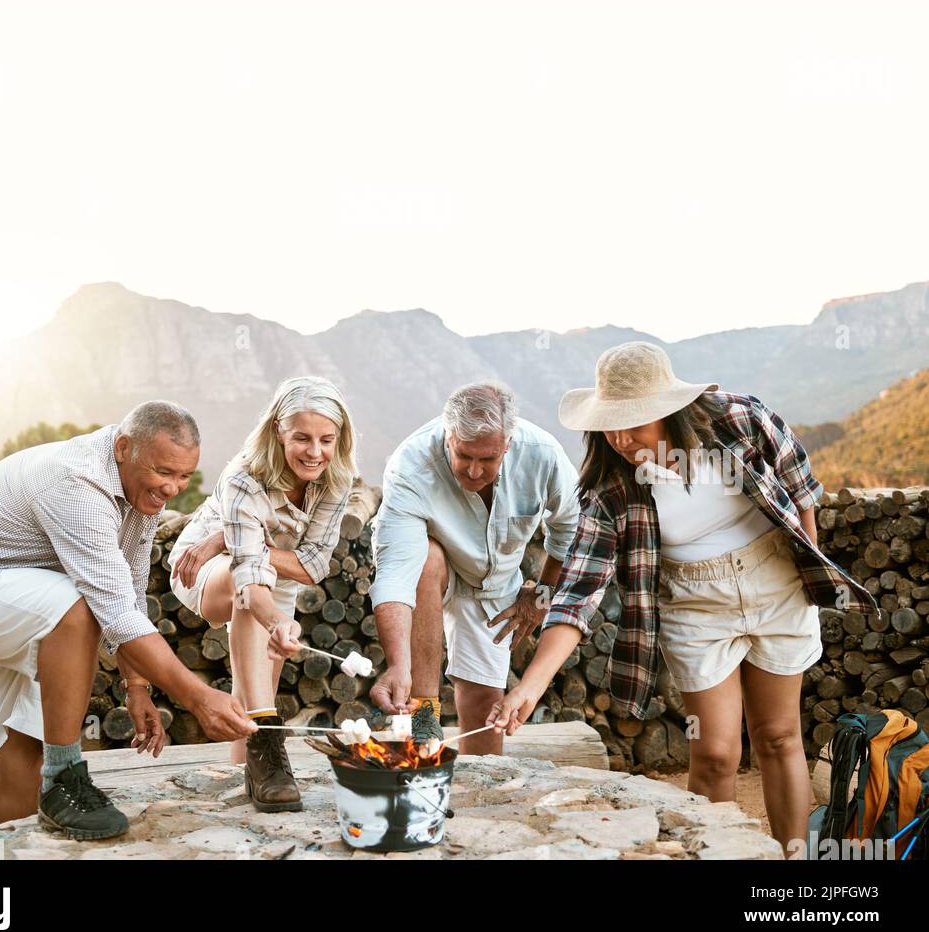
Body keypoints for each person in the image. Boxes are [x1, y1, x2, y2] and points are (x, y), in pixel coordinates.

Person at [489, 342, 879, 853]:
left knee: (779, 738)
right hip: (692, 601)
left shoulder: (741, 420)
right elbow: (577, 594)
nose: (623, 439)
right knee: (715, 753)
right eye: (611, 424)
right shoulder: (610, 489)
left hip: (776, 582)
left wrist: (810, 578)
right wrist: (529, 689)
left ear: (669, 410)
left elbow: (803, 494)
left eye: (636, 423)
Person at [0, 401, 256, 841]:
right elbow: (112, 613)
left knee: (21, 764)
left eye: (184, 476)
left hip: (11, 598)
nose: (172, 488)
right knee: (78, 608)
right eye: (163, 472)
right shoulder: (77, 482)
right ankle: (64, 775)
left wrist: (138, 688)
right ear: (122, 447)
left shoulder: (137, 492)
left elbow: (129, 594)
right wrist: (199, 698)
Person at [167, 376, 357, 812]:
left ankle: (250, 785)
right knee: (246, 595)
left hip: (275, 576)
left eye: (327, 440)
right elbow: (249, 576)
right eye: (302, 438)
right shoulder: (244, 478)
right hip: (207, 572)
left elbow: (312, 566)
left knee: (254, 690)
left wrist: (234, 540)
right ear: (277, 431)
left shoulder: (336, 479)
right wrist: (275, 617)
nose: (315, 452)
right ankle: (271, 738)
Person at [368, 382, 580, 754]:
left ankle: (477, 787)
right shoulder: (409, 465)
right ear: (447, 437)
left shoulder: (543, 455)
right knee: (426, 559)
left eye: (489, 459)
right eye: (464, 456)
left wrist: (542, 594)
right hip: (435, 572)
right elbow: (395, 574)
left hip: (497, 583)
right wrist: (398, 664)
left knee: (485, 707)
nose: (475, 471)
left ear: (508, 445)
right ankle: (423, 723)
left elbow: (570, 528)